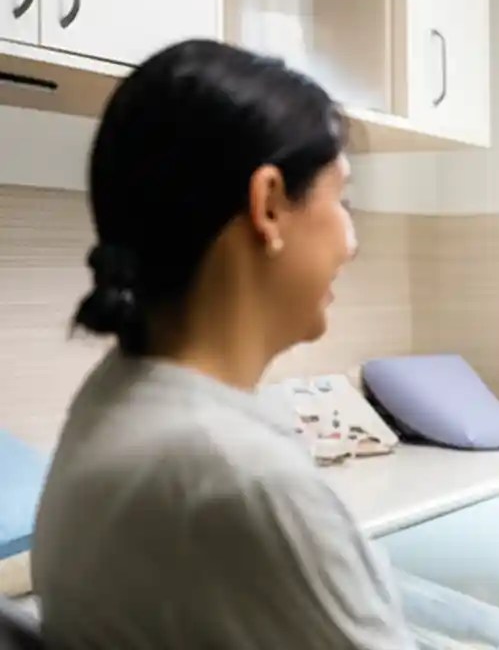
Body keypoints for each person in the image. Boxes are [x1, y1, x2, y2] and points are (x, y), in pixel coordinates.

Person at [32, 39, 417, 649]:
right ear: (268, 205)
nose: (351, 240)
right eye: (340, 201)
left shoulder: (119, 397)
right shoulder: (233, 477)